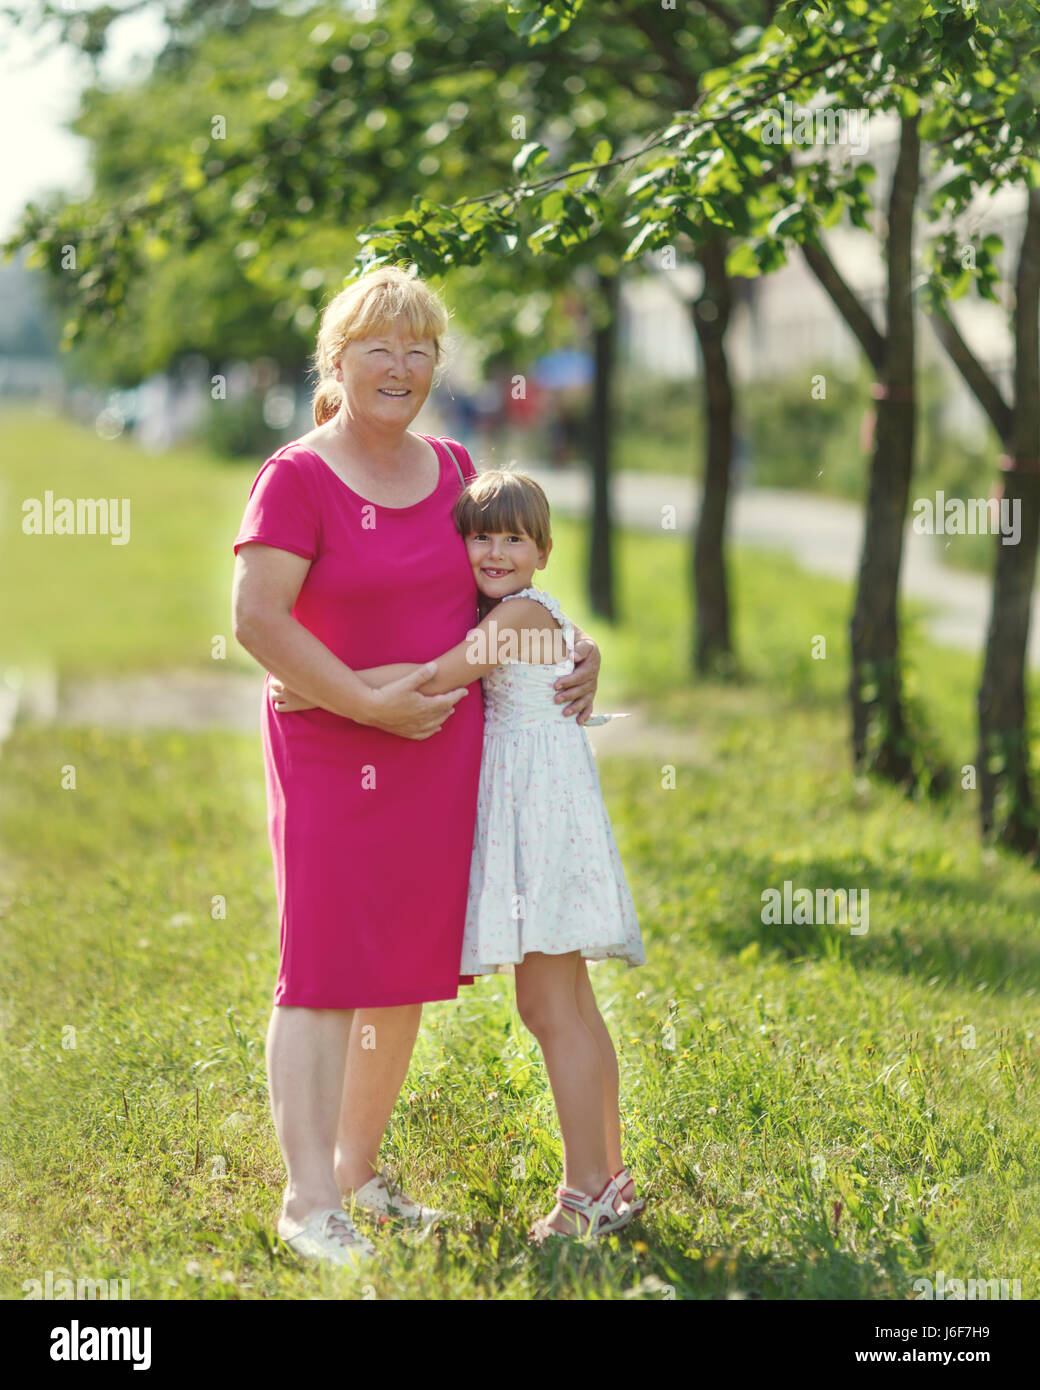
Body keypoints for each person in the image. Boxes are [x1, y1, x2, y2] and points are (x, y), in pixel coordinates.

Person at [230, 265, 602, 1267]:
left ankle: (358, 1171)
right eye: (376, 347)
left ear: (436, 363)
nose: (398, 365)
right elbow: (256, 620)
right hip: (329, 751)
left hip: (437, 758)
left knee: (394, 972)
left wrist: (572, 645)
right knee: (319, 973)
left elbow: (498, 596)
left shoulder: (451, 467)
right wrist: (362, 702)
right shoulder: (296, 475)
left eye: (417, 348)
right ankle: (309, 1202)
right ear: (335, 361)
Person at [272, 469, 645, 1242]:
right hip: (552, 821)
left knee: (549, 1009)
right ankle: (609, 1181)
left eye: (515, 537)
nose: (496, 549)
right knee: (571, 1006)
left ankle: (587, 1195)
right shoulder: (527, 613)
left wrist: (319, 689)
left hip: (540, 829)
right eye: (482, 534)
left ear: (543, 549)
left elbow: (437, 681)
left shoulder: (511, 620)